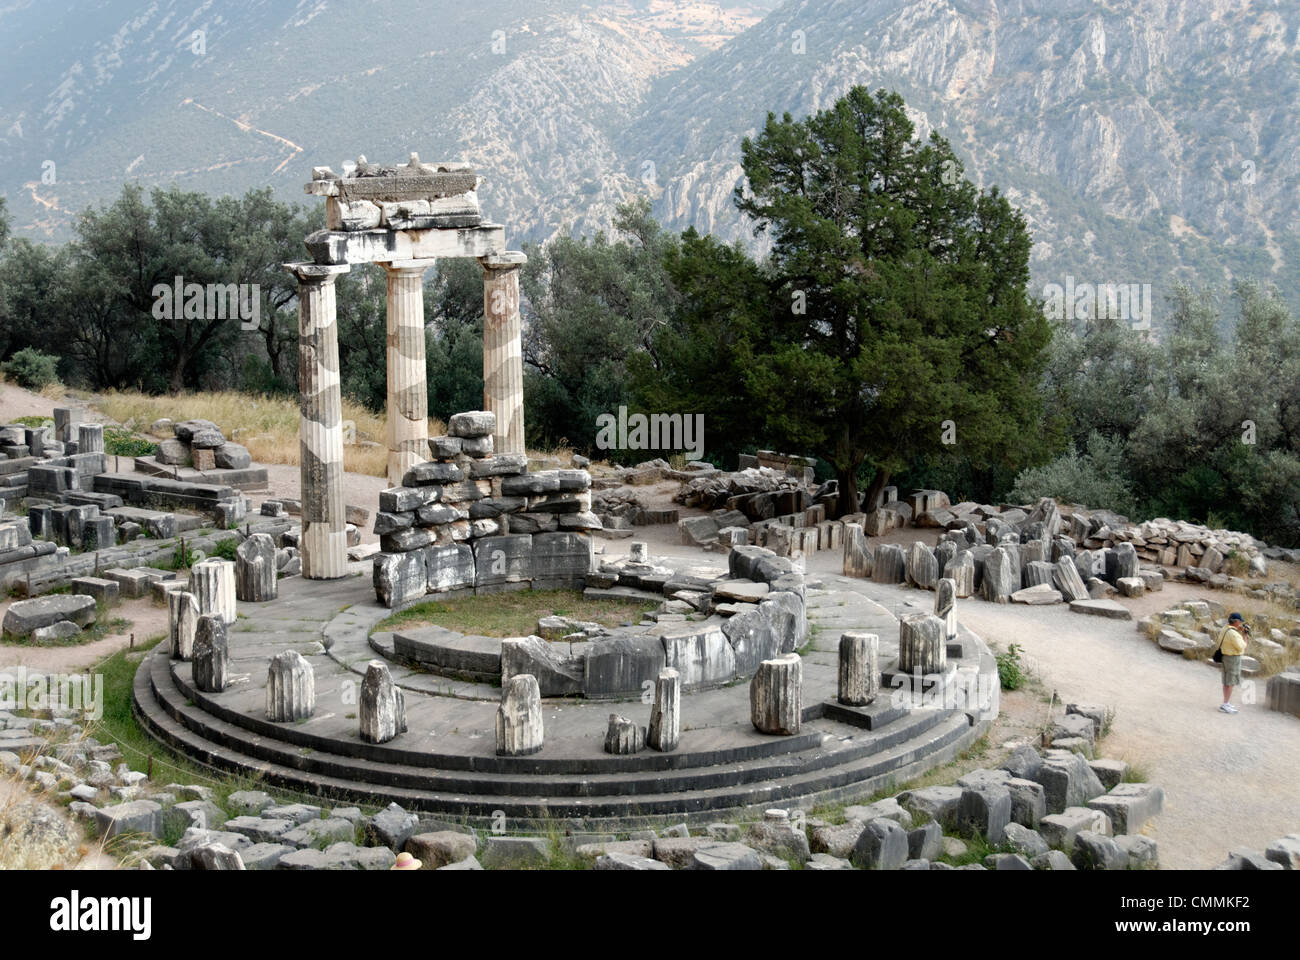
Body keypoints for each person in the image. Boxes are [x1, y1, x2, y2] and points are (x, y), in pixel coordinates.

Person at [1216, 612, 1250, 714]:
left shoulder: (1226, 629)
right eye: (1239, 621)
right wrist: (1245, 635)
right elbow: (1242, 646)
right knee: (1231, 682)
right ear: (1236, 621)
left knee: (1226, 681)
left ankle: (1226, 702)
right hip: (1233, 659)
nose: (1240, 624)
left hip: (1225, 657)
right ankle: (1225, 704)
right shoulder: (1234, 634)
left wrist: (1237, 630)